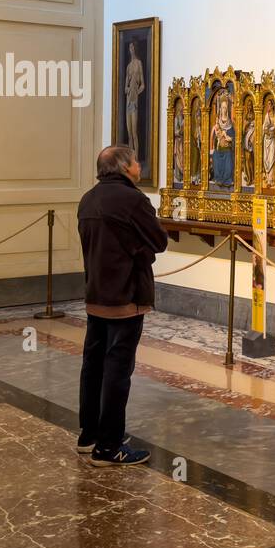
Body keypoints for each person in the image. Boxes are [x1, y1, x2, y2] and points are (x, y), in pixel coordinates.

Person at [76, 145, 168, 466]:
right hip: (126, 297)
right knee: (118, 370)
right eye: (136, 161)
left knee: (93, 364)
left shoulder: (88, 199)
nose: (139, 165)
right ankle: (109, 446)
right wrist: (140, 250)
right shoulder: (133, 201)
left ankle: (89, 434)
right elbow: (159, 241)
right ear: (125, 168)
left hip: (96, 295)